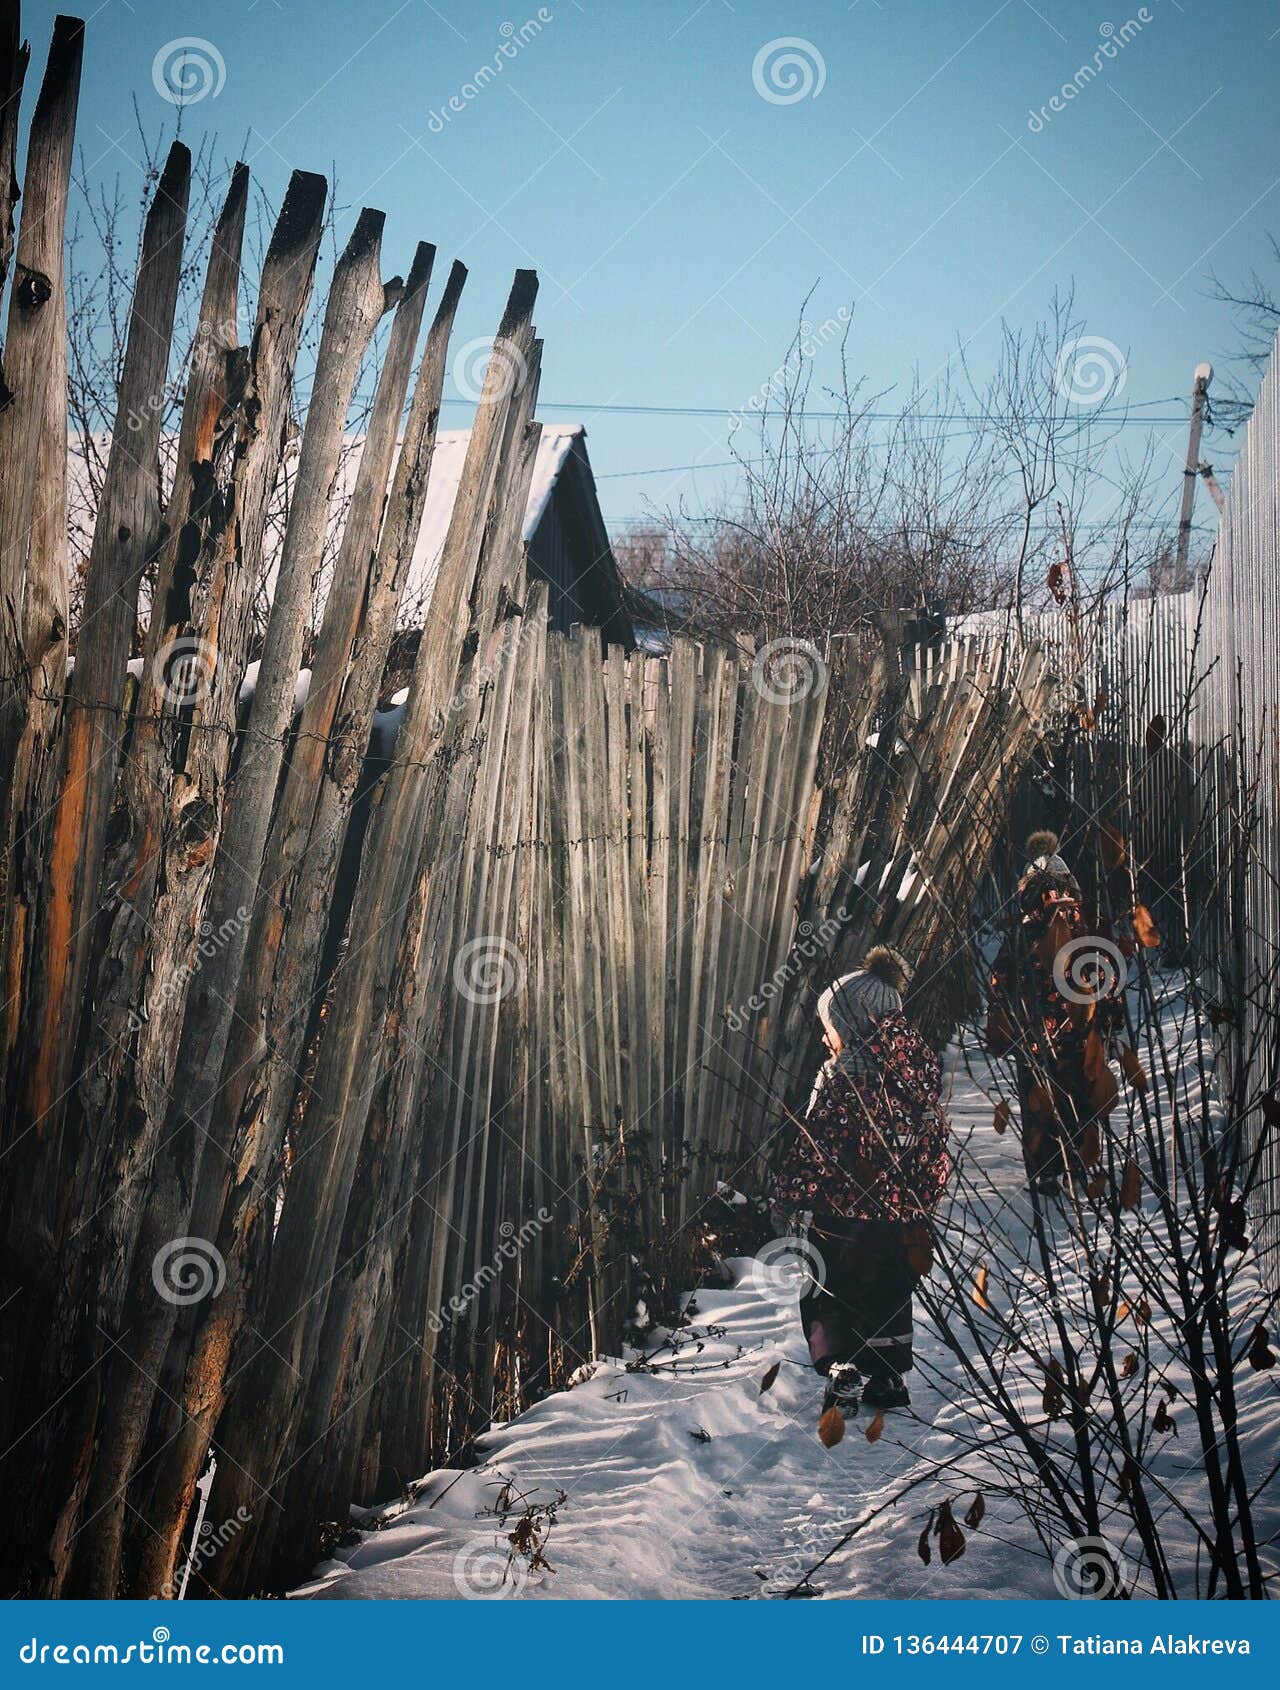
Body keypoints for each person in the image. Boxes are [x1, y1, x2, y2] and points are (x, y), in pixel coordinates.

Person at [772, 946, 951, 1418]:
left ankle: (841, 1369)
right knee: (888, 1292)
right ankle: (888, 1376)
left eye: (830, 1028)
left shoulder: (841, 1080)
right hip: (897, 1218)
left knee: (829, 1291)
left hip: (840, 1217)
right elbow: (935, 1146)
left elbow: (817, 1144)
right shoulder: (918, 1077)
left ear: (852, 1025)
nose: (827, 1039)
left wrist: (793, 1191)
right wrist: (922, 1199)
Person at [986, 830, 1117, 1197]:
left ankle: (1044, 1169)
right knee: (1078, 1090)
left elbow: (998, 980)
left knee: (1036, 1097)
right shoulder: (1085, 930)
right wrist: (1109, 1020)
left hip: (1035, 1034)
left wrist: (1001, 1019)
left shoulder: (1022, 936)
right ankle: (1079, 1160)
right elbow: (1105, 975)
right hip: (1081, 1030)